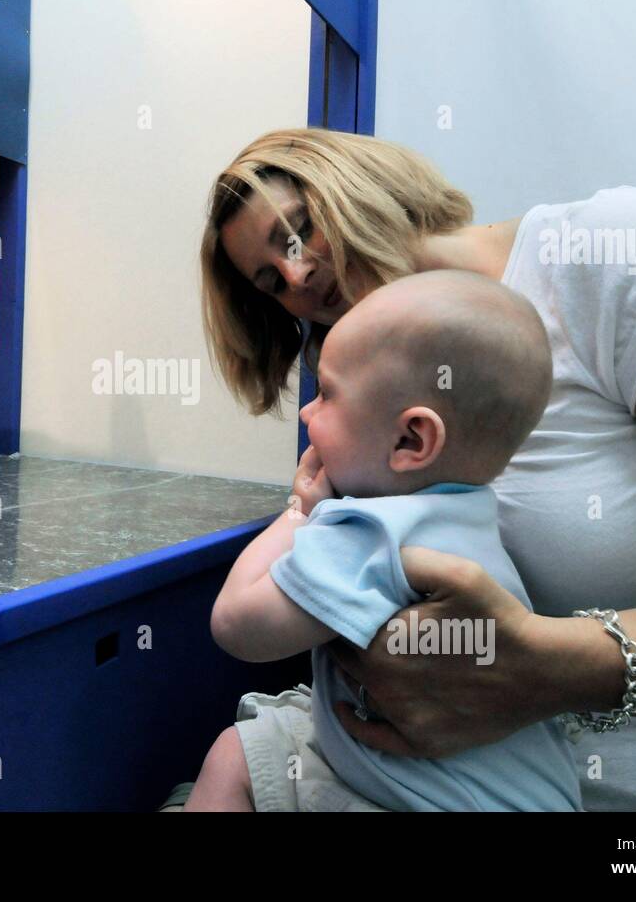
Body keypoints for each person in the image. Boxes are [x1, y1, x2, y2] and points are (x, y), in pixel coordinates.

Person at [196, 128, 636, 811]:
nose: (299, 277)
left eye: (299, 230)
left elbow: (244, 617)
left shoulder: (615, 258)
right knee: (237, 755)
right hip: (400, 777)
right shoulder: (377, 392)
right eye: (271, 282)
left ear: (354, 179)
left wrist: (556, 667)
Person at [187, 270, 582, 811]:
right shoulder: (467, 515)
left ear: (411, 439)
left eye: (327, 394)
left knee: (234, 753)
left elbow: (237, 625)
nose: (307, 411)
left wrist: (300, 511)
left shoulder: (371, 533)